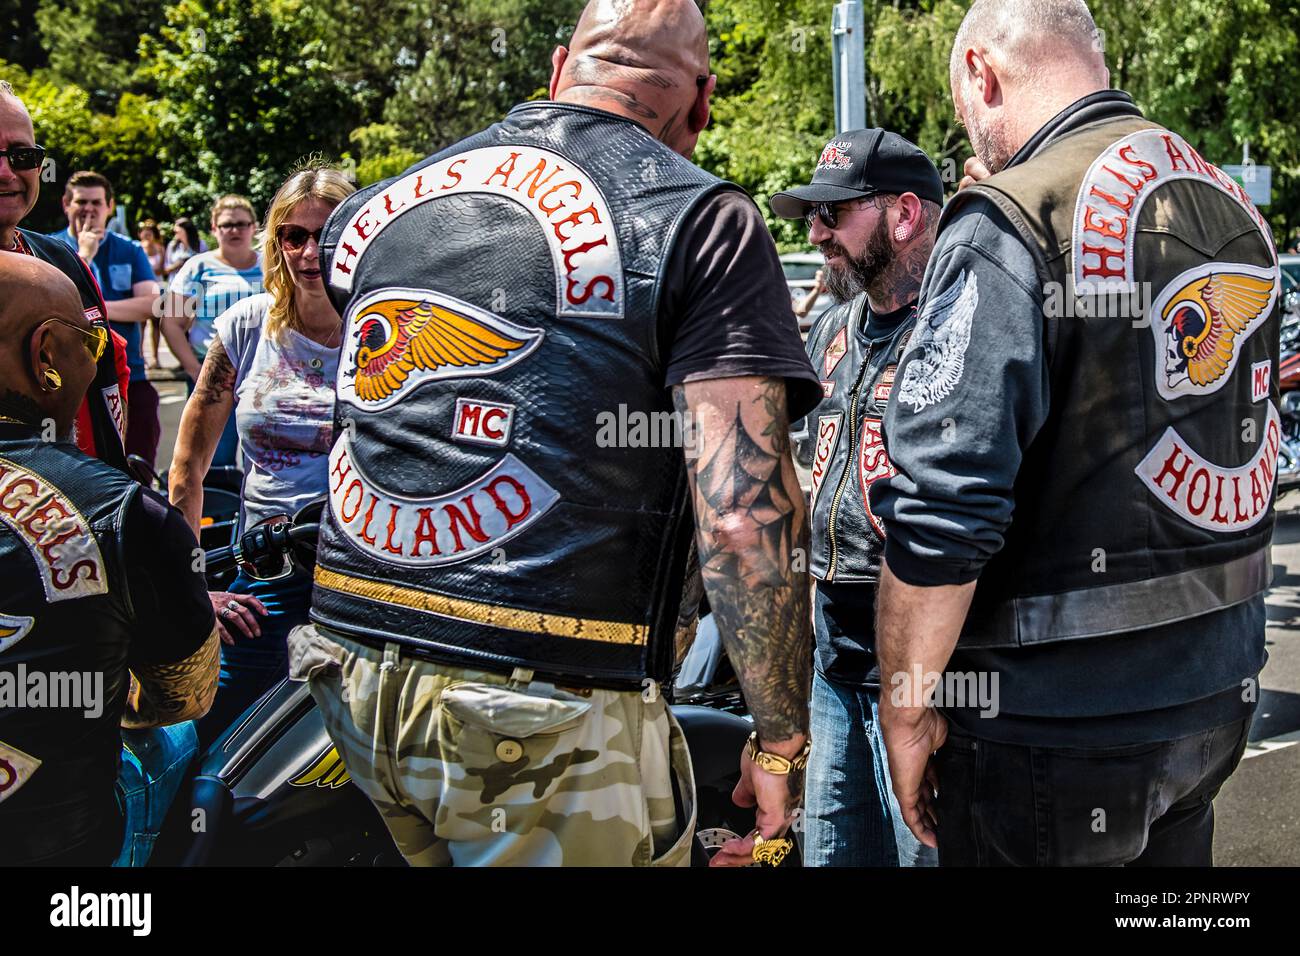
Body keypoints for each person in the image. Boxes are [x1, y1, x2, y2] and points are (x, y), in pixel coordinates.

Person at [295, 0, 820, 867]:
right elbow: (742, 515)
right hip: (538, 712)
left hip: (346, 664)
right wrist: (780, 742)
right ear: (702, 101)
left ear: (557, 70)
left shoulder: (375, 209)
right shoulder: (701, 218)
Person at [872, 0, 1279, 866]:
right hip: (1216, 688)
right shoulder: (1229, 204)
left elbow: (944, 503)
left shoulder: (1010, 215)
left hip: (1055, 724)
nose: (970, 137)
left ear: (981, 71)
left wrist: (904, 706)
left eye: (962, 110)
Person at [0, 254, 219, 865]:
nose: (98, 360)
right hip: (65, 850)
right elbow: (183, 696)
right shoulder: (127, 514)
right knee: (186, 743)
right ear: (46, 353)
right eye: (93, 341)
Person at [769, 129, 943, 868]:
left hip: (926, 679)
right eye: (812, 215)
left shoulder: (957, 329)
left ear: (904, 214)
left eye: (834, 214)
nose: (816, 233)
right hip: (833, 667)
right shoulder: (834, 327)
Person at [169, 165, 356, 747]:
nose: (309, 252)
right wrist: (193, 589)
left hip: (362, 580)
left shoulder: (390, 332)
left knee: (350, 750)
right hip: (266, 574)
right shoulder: (245, 326)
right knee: (218, 737)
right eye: (293, 236)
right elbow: (188, 467)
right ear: (276, 243)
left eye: (326, 235)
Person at [0, 84, 131, 472]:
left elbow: (111, 369)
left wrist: (111, 472)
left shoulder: (65, 261)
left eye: (22, 156)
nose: (6, 172)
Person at [47, 171, 163, 469]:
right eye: (81, 202)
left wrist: (92, 312)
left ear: (109, 207)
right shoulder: (48, 248)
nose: (89, 209)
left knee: (137, 469)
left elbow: (151, 304)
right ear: (66, 204)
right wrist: (83, 256)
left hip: (131, 376)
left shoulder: (130, 249)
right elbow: (49, 309)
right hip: (68, 384)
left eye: (96, 202)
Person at [163, 195, 263, 470]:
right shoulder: (198, 267)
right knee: (212, 464)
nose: (235, 230)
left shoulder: (272, 265)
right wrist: (195, 369)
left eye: (242, 224)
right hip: (212, 373)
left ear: (253, 227)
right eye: (227, 224)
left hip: (262, 375)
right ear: (214, 228)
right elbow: (171, 323)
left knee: (265, 463)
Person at [137, 219, 166, 368]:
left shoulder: (160, 248)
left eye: (150, 233)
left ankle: (155, 358)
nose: (147, 235)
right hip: (142, 290)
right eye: (145, 233)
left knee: (156, 324)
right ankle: (140, 356)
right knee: (141, 324)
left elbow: (161, 270)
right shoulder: (137, 249)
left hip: (157, 288)